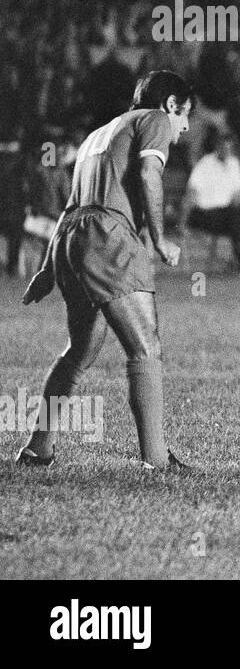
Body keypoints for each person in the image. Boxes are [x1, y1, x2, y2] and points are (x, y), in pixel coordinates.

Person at [17, 71, 192, 470]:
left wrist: (48, 266)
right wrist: (160, 239)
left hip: (72, 238)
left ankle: (38, 447)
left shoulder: (99, 134)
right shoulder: (155, 120)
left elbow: (72, 203)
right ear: (170, 104)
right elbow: (150, 173)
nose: (184, 127)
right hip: (108, 236)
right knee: (145, 347)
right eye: (186, 115)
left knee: (79, 352)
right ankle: (156, 460)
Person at [179, 132, 240, 275]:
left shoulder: (234, 163)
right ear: (217, 147)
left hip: (229, 214)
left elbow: (237, 193)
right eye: (224, 148)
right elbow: (191, 192)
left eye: (229, 148)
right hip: (206, 214)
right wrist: (183, 221)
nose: (227, 151)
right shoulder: (205, 164)